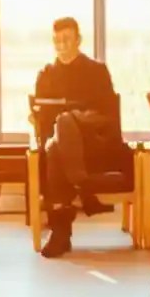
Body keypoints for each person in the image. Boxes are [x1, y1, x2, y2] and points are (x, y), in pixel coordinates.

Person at [31, 16, 118, 258]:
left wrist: (79, 116)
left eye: (66, 39)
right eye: (57, 40)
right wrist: (38, 117)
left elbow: (109, 114)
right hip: (57, 145)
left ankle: (60, 233)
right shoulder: (45, 75)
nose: (61, 45)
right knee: (56, 139)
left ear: (78, 40)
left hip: (91, 141)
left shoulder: (96, 71)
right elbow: (41, 118)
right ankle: (83, 189)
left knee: (65, 123)